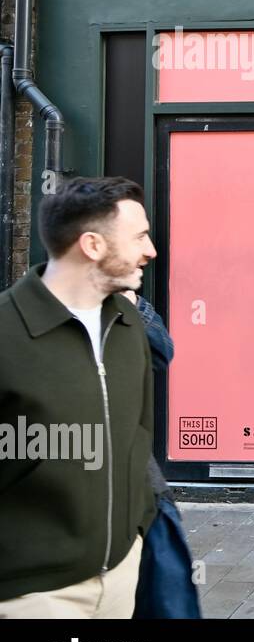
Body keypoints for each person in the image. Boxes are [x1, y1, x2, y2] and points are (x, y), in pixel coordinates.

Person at [0, 177, 158, 617]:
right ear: (91, 245)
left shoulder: (127, 323)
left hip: (121, 575)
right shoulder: (6, 335)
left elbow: (139, 432)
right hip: (34, 594)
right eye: (140, 237)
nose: (151, 251)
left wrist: (137, 526)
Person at [122, 289, 202, 619]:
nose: (149, 250)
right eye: (138, 236)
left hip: (140, 492)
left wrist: (132, 304)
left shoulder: (122, 307)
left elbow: (161, 351)